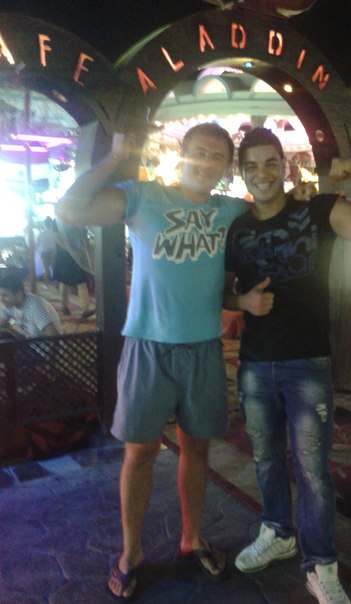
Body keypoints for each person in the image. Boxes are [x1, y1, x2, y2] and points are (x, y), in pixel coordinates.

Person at [55, 123, 255, 599]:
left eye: (217, 156)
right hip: (147, 346)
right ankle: (131, 553)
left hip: (203, 348)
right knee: (139, 453)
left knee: (197, 449)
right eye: (199, 152)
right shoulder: (144, 197)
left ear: (227, 167)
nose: (207, 162)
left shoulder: (229, 210)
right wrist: (112, 159)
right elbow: (71, 209)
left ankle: (191, 539)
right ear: (183, 154)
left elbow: (276, 213)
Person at [224, 128, 351, 604]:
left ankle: (321, 565)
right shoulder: (237, 228)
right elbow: (221, 290)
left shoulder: (318, 209)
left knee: (313, 470)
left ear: (284, 165)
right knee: (265, 458)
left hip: (307, 363)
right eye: (252, 165)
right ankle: (278, 532)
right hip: (255, 363)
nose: (262, 173)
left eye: (270, 162)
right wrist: (242, 301)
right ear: (242, 172)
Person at [0, 272, 61, 338]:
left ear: (18, 294)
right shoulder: (9, 304)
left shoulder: (34, 306)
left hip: (43, 342)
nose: (1, 299)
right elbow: (2, 322)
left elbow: (54, 335)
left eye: (4, 295)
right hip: (28, 338)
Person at [52, 221, 91, 318]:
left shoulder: (75, 218)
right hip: (65, 255)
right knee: (64, 281)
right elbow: (57, 237)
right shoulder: (57, 220)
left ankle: (85, 309)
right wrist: (70, 249)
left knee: (81, 280)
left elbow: (83, 235)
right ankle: (65, 307)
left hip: (77, 254)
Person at [36, 216, 57, 287]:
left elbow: (37, 244)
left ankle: (46, 285)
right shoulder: (54, 233)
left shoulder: (41, 233)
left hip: (44, 253)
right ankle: (56, 284)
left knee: (46, 269)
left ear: (45, 224)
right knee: (54, 269)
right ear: (51, 223)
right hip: (53, 252)